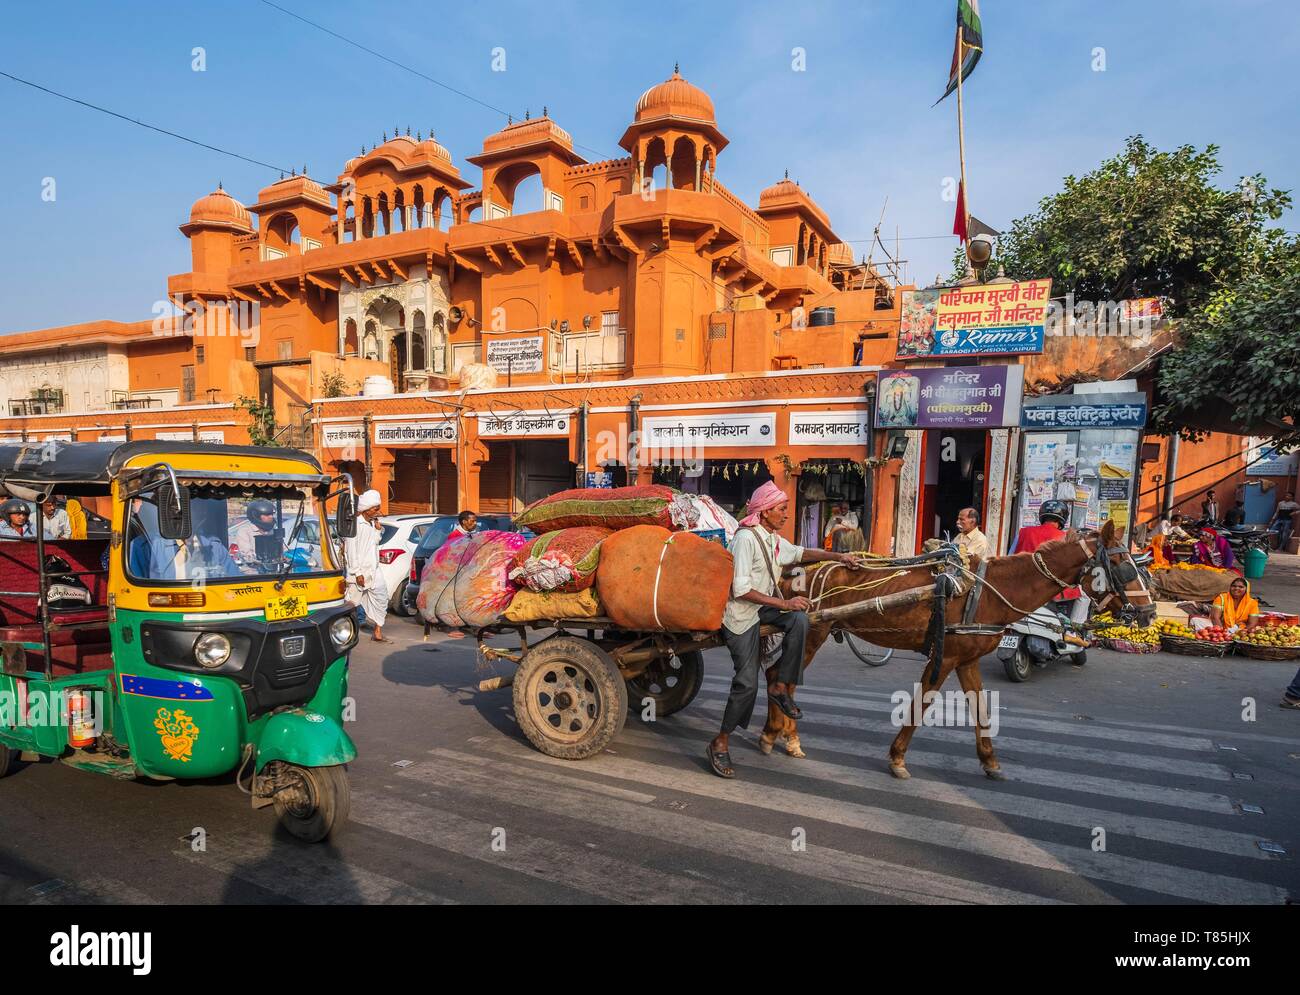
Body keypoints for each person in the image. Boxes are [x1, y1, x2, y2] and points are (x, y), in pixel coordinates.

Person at [707, 481, 862, 779]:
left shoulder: (772, 539)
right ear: (764, 512)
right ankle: (720, 741)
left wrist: (839, 557)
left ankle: (780, 685)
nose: (786, 515)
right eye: (781, 509)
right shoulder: (746, 540)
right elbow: (740, 590)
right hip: (740, 615)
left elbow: (803, 553)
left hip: (761, 606)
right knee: (747, 683)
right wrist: (783, 602)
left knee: (801, 619)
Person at [1008, 500, 1081, 605]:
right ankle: (1076, 621)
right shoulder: (1065, 537)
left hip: (1021, 586)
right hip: (1048, 591)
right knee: (1084, 593)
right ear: (1063, 518)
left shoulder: (1023, 532)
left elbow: (1010, 557)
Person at [344, 489, 389, 643]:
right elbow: (351, 551)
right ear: (366, 509)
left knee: (382, 597)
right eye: (376, 509)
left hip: (374, 570)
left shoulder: (372, 524)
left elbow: (374, 543)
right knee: (352, 603)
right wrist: (357, 573)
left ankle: (378, 631)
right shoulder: (355, 525)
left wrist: (377, 531)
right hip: (358, 572)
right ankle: (345, 631)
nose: (378, 512)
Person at [229, 499, 280, 573]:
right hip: (252, 573)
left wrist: (287, 556)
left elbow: (282, 549)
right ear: (256, 516)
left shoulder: (272, 530)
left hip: (273, 571)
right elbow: (247, 555)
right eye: (266, 515)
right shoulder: (245, 531)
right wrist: (264, 560)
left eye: (271, 514)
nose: (271, 517)